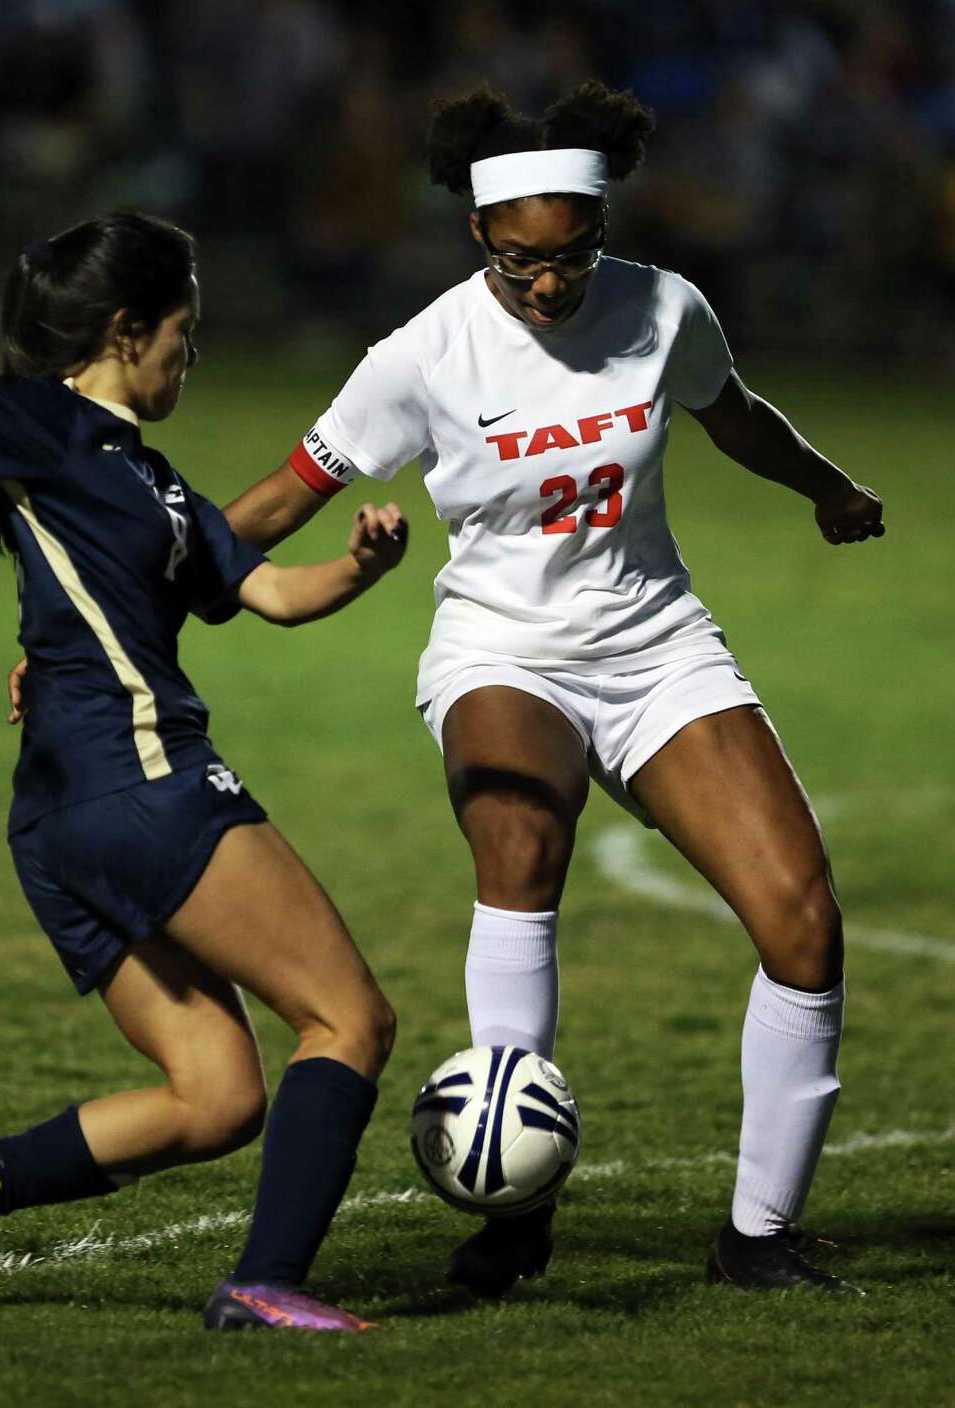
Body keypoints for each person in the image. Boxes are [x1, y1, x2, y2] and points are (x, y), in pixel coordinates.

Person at [217, 81, 886, 1297]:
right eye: (518, 260)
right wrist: (118, 599)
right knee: (521, 850)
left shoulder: (664, 308)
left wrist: (829, 488)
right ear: (478, 232)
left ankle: (757, 1236)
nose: (544, 284)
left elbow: (734, 417)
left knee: (804, 922)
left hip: (656, 645)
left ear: (600, 228)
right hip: (502, 650)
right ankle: (516, 1211)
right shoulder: (421, 355)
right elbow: (280, 497)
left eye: (569, 256)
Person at [0, 210, 408, 1331]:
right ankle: (265, 1283)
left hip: (62, 818)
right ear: (125, 331)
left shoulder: (153, 483)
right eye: (182, 335)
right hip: (144, 779)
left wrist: (359, 564)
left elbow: (271, 594)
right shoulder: (49, 423)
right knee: (349, 1018)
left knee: (218, 1095)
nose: (190, 357)